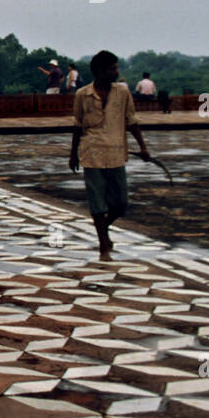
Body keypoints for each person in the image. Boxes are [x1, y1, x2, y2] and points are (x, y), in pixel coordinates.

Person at [68, 50, 152, 261]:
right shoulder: (83, 95)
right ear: (100, 71)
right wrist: (73, 154)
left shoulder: (122, 92)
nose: (116, 72)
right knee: (97, 203)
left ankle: (103, 229)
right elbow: (77, 125)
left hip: (116, 153)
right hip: (91, 153)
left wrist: (143, 147)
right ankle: (103, 246)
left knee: (121, 204)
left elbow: (132, 120)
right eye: (112, 69)